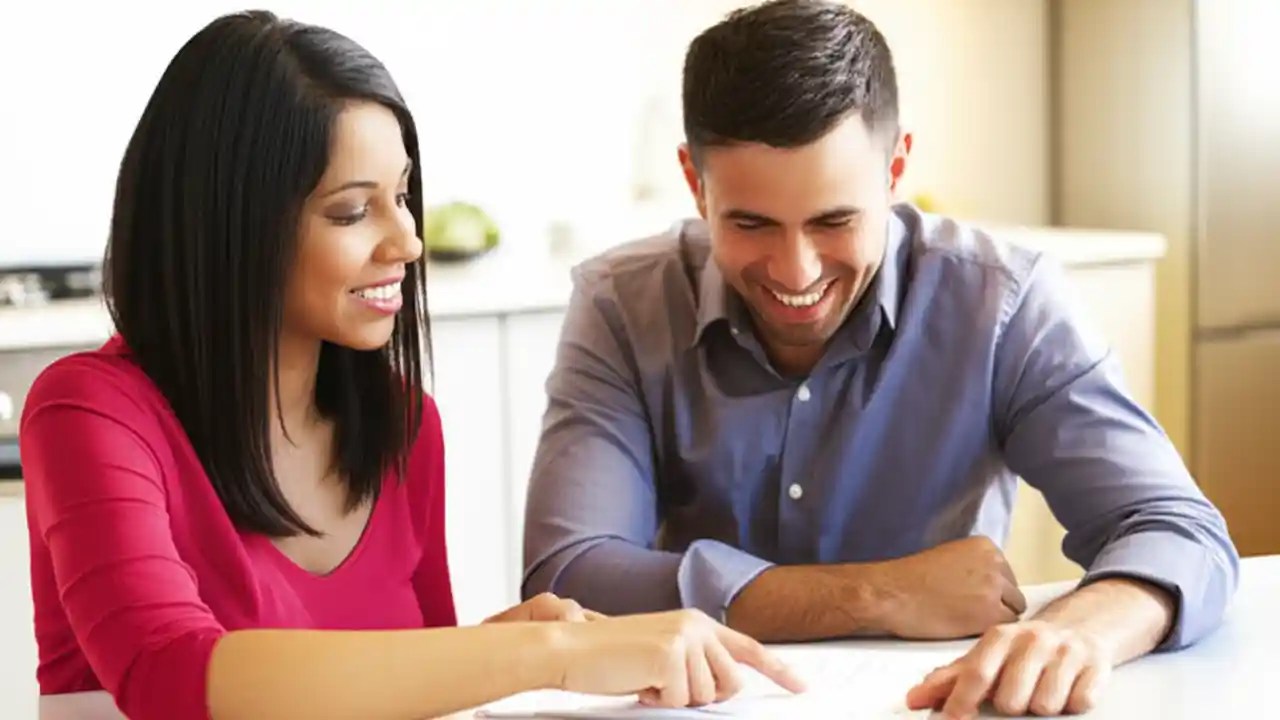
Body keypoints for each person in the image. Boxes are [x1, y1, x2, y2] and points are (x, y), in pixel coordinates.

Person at [18, 11, 804, 720]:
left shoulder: (402, 425)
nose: (408, 242)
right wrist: (551, 658)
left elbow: (408, 682)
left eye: (403, 196)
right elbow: (165, 674)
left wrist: (511, 642)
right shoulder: (89, 413)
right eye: (353, 211)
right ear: (230, 227)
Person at [521, 1, 1240, 717]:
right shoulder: (622, 304)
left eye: (835, 220)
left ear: (895, 168)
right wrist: (878, 593)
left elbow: (1178, 532)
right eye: (751, 223)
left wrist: (1078, 634)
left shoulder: (1002, 303)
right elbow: (570, 575)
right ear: (694, 182)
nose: (796, 272)